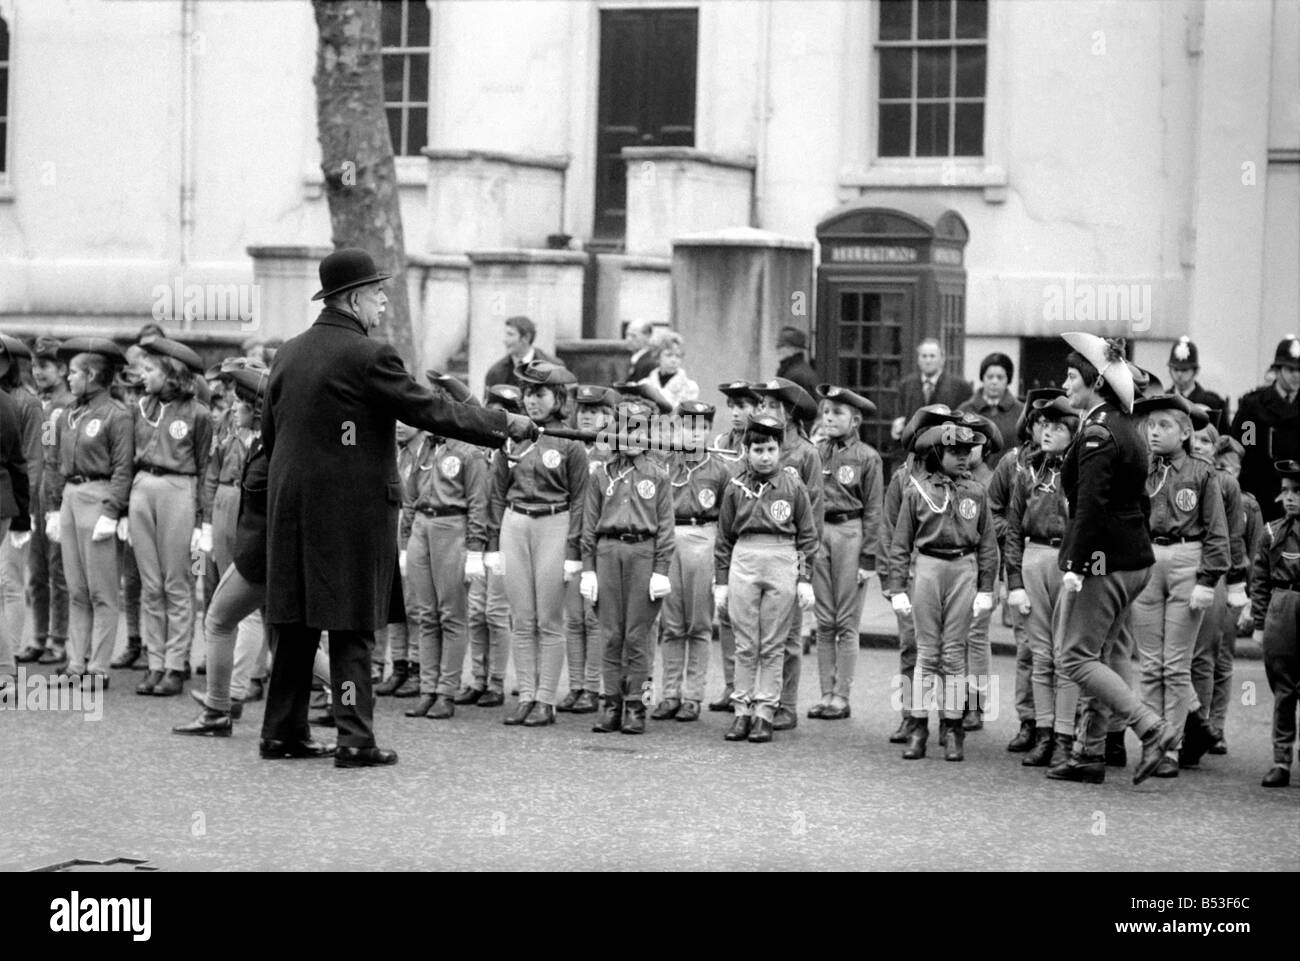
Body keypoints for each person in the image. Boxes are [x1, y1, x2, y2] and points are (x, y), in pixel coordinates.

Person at [260, 248, 535, 768]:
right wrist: (502, 424)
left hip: (290, 509)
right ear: (353, 298)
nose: (384, 302)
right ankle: (354, 738)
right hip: (348, 514)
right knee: (350, 629)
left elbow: (271, 437)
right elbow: (428, 409)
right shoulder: (369, 356)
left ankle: (281, 733)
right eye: (378, 292)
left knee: (295, 626)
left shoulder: (289, 352)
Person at [1047, 332, 1179, 786]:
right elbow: (1138, 504)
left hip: (1106, 562)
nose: (1064, 385)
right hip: (1134, 560)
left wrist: (1076, 565)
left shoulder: (1099, 433)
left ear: (1096, 381)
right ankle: (1088, 753)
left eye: (1070, 377)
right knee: (1101, 653)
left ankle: (1151, 728)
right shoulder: (1124, 426)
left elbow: (1091, 507)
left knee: (1075, 657)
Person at [1127, 393, 1230, 778]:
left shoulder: (1202, 474)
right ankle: (1151, 744)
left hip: (1188, 559)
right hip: (1148, 560)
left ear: (1186, 431)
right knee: (1150, 665)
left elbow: (1217, 532)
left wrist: (1208, 578)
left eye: (1164, 425)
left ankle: (1172, 748)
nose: (1154, 432)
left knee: (1175, 665)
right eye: (1151, 426)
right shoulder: (1142, 471)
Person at [886, 422, 998, 762]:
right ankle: (918, 725)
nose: (963, 458)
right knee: (926, 652)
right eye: (954, 452)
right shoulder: (917, 491)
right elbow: (900, 543)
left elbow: (988, 545)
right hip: (928, 569)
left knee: (953, 653)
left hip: (962, 568)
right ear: (938, 453)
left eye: (967, 452)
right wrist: (897, 587)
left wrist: (986, 587)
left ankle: (952, 727)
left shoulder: (977, 492)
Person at [485, 359, 587, 729]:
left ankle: (546, 699)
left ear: (558, 397)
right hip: (515, 522)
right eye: (528, 392)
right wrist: (493, 543)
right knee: (522, 618)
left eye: (540, 393)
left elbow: (580, 499)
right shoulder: (511, 436)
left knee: (549, 619)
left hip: (554, 522)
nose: (532, 400)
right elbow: (497, 492)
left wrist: (574, 552)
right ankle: (526, 694)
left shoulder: (571, 441)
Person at [714, 412, 818, 744]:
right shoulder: (735, 486)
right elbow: (724, 538)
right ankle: (742, 709)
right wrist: (721, 582)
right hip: (744, 558)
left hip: (782, 558)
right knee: (746, 643)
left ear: (780, 450)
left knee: (773, 643)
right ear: (746, 450)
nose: (764, 456)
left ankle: (765, 712)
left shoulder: (793, 484)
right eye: (758, 449)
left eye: (771, 449)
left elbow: (806, 536)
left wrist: (804, 578)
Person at [580, 399, 675, 734]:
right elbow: (588, 524)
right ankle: (610, 703)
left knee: (637, 636)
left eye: (639, 429)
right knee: (610, 635)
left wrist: (662, 569)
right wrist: (588, 568)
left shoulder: (659, 476)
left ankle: (636, 704)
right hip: (608, 553)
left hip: (643, 554)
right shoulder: (600, 474)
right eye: (625, 428)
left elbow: (665, 527)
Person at [45, 338, 133, 691]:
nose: (69, 378)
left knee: (103, 591)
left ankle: (98, 667)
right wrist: (54, 507)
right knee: (75, 588)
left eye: (75, 373)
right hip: (70, 496)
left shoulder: (117, 414)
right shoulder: (66, 414)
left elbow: (123, 468)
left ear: (93, 375)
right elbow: (55, 462)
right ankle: (75, 662)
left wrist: (113, 511)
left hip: (98, 497)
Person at [400, 379, 489, 720]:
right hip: (422, 527)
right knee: (426, 614)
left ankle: (446, 692)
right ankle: (427, 688)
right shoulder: (424, 447)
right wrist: (407, 540)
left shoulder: (469, 451)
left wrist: (476, 550)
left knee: (452, 615)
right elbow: (410, 495)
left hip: (453, 527)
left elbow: (478, 503)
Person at [129, 337, 212, 697]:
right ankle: (155, 661)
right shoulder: (140, 406)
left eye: (150, 370)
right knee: (150, 583)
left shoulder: (199, 414)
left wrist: (202, 520)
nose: (142, 376)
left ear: (172, 374)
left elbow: (205, 466)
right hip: (143, 485)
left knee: (176, 582)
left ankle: (176, 664)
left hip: (179, 487)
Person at [986, 386, 1064, 752]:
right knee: (1027, 648)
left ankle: (1062, 725)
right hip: (1022, 558)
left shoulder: (1068, 464)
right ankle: (1029, 719)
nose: (1042, 430)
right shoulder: (1014, 463)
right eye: (1037, 422)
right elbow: (995, 511)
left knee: (1059, 650)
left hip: (1058, 560)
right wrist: (1014, 533)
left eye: (1051, 423)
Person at [1003, 395, 1078, 768]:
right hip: (1033, 560)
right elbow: (1014, 529)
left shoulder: (1080, 473)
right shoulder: (1026, 472)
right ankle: (1044, 732)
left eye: (1059, 427)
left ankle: (1066, 737)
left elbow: (1086, 522)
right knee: (1040, 654)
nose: (1048, 432)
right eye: (1044, 425)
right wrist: (1014, 580)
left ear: (1073, 433)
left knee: (1067, 655)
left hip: (1066, 562)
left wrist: (1081, 568)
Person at [880, 405, 958, 742]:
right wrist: (891, 581)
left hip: (952, 571)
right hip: (913, 572)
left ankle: (952, 719)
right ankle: (912, 718)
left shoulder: (959, 476)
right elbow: (889, 530)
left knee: (953, 649)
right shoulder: (903, 477)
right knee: (912, 647)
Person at [749, 378, 824, 730]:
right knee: (754, 632)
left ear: (789, 413)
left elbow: (813, 520)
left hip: (790, 552)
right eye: (761, 403)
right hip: (754, 552)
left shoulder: (807, 454)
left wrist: (805, 570)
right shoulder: (759, 445)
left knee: (790, 636)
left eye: (769, 404)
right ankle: (755, 697)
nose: (762, 409)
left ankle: (786, 703)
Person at [653, 400, 731, 722]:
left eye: (701, 427)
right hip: (670, 539)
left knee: (698, 624)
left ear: (708, 430)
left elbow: (727, 520)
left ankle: (693, 696)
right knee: (670, 625)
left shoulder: (720, 470)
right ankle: (669, 694)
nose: (694, 433)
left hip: (704, 538)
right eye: (688, 426)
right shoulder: (665, 464)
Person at [808, 385, 882, 721]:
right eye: (825, 412)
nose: (828, 418)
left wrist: (869, 558)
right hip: (819, 532)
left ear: (855, 420)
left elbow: (874, 510)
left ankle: (842, 695)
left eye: (837, 413)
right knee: (824, 621)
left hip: (851, 532)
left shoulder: (867, 457)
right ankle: (825, 693)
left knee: (846, 622)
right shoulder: (815, 451)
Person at [1183, 415, 1249, 768]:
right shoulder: (1179, 473)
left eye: (1206, 441)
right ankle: (1181, 725)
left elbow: (1234, 538)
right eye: (1193, 439)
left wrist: (1237, 584)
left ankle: (1201, 727)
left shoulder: (1225, 484)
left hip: (1216, 572)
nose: (1197, 445)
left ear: (1216, 447)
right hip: (1183, 567)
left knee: (1204, 657)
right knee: (1178, 655)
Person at [458, 383, 523, 709]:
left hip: (500, 539)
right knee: (475, 613)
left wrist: (494, 542)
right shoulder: (474, 447)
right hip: (474, 537)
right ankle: (478, 679)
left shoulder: (513, 451)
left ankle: (497, 682)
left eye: (506, 410)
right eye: (493, 409)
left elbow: (501, 499)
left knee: (496, 613)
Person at [558, 385, 617, 714]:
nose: (587, 415)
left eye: (595, 411)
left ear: (609, 416)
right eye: (583, 409)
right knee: (574, 617)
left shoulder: (612, 452)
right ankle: (576, 684)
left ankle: (593, 687)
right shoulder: (571, 447)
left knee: (595, 617)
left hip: (600, 538)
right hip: (571, 535)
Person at [17, 336, 73, 667]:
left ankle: (59, 638)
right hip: (34, 492)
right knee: (36, 570)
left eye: (46, 366)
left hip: (57, 494)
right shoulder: (39, 403)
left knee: (59, 571)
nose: (38, 371)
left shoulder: (66, 406)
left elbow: (56, 455)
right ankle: (38, 636)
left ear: (63, 369)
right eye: (35, 365)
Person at [1207, 435, 1263, 753]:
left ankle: (1216, 727)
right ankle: (1198, 722)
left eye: (1228, 468)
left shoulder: (1248, 506)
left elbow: (1255, 555)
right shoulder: (1206, 495)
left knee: (1223, 660)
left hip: (1232, 586)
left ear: (1238, 471)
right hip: (1205, 583)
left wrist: (1250, 600)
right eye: (1217, 467)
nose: (1223, 474)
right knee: (1197, 660)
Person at [707, 381, 759, 710]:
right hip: (724, 533)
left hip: (753, 536)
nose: (737, 413)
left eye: (743, 406)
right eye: (733, 406)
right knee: (725, 614)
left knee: (753, 618)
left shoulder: (761, 445)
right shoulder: (720, 444)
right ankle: (731, 684)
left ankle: (753, 687)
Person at [1250, 459, 1300, 787]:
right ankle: (1281, 760)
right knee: (1284, 688)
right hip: (1284, 606)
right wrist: (1258, 622)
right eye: (1286, 491)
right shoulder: (1272, 532)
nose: (1291, 497)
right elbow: (1261, 578)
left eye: (1298, 491)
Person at [374, 421, 425, 698]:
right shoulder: (398, 454)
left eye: (407, 422)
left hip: (414, 526)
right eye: (396, 422)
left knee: (415, 605)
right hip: (393, 523)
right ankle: (400, 666)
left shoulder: (425, 454)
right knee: (394, 602)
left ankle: (417, 668)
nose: (400, 427)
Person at [0, 335, 40, 679]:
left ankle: (8, 657)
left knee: (12, 581)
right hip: (12, 498)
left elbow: (29, 459)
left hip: (13, 500)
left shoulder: (24, 402)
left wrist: (26, 514)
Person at [1230, 334, 1300, 522]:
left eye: (1299, 370)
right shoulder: (1253, 407)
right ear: (1277, 370)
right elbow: (1243, 451)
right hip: (1263, 497)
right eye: (1291, 369)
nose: (1296, 375)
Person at [890, 339, 973, 452]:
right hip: (914, 451)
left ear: (942, 359)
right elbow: (900, 418)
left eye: (932, 356)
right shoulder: (906, 385)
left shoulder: (960, 386)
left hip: (945, 451)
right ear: (918, 360)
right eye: (924, 356)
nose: (928, 361)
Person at [0, 382, 29, 693]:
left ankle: (5, 676)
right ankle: (5, 675)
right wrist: (21, 516)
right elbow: (18, 463)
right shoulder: (7, 402)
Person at [958, 352, 1022, 469]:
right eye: (990, 377)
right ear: (982, 378)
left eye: (1000, 377)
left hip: (1010, 479)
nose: (994, 382)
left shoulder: (1020, 412)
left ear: (1008, 380)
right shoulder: (965, 410)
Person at [482, 316, 559, 397]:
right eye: (506, 334)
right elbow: (489, 406)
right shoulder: (495, 372)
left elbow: (563, 403)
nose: (504, 340)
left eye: (510, 334)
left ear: (526, 338)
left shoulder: (554, 368)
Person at [1166, 337, 1230, 433]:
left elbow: (1223, 436)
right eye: (1175, 369)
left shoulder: (1213, 403)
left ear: (1195, 371)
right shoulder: (1163, 400)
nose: (1179, 374)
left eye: (1184, 370)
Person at [639, 330, 699, 410]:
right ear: (657, 356)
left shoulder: (690, 388)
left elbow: (688, 418)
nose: (674, 360)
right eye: (669, 355)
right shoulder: (644, 385)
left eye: (678, 356)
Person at [774, 327, 819, 401]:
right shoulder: (794, 371)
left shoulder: (798, 376)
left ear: (794, 349)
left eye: (781, 346)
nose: (778, 350)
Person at [625, 319, 659, 383]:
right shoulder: (634, 359)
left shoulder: (649, 363)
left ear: (647, 336)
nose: (628, 339)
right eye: (627, 335)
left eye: (633, 336)